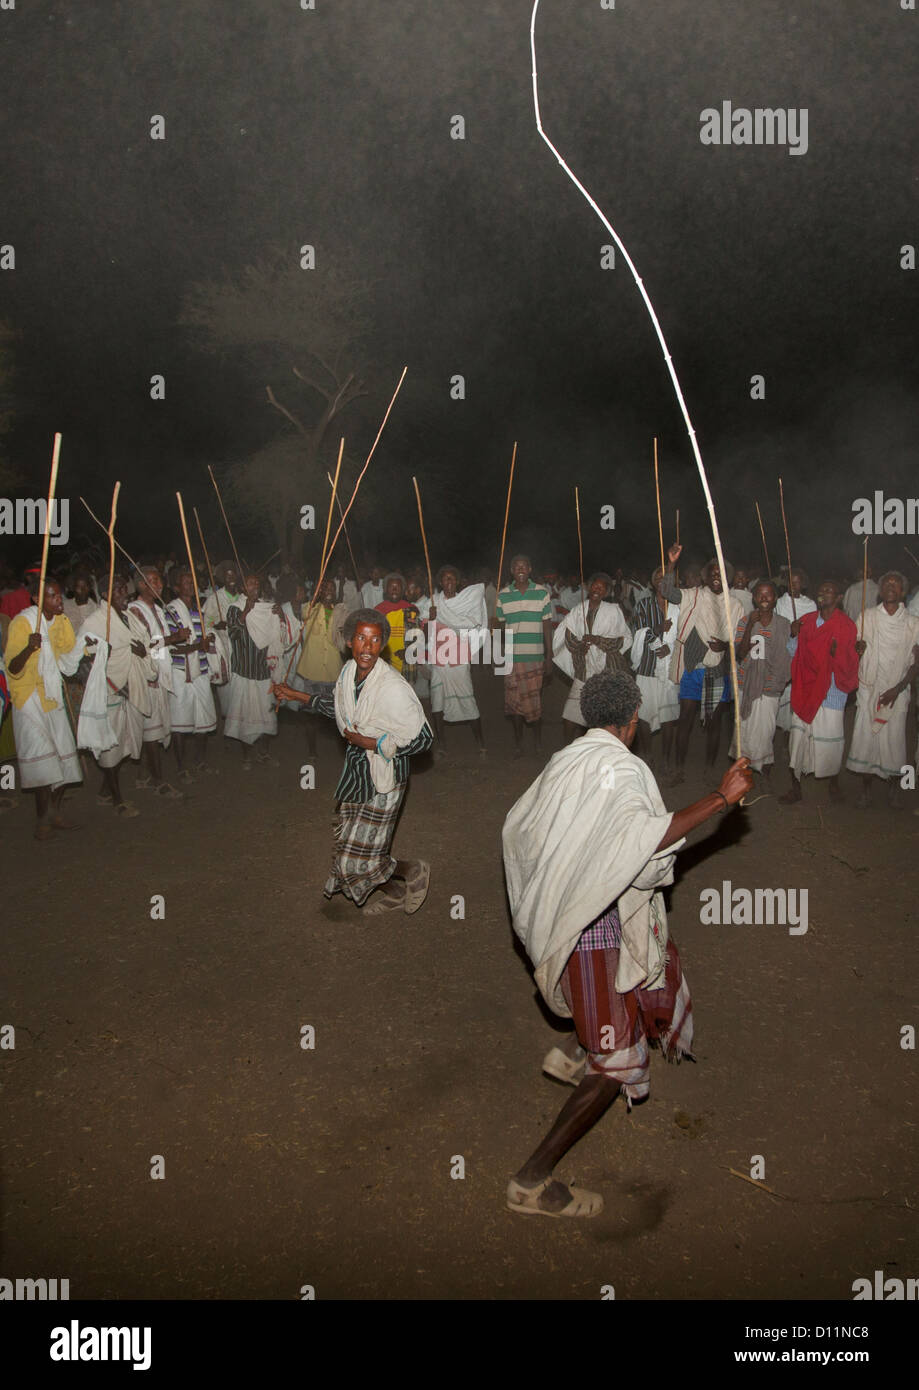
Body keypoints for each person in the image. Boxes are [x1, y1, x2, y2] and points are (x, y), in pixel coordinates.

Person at [503, 670, 752, 1218]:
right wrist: (720, 797)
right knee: (618, 1060)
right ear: (633, 719)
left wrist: (555, 881)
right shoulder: (623, 767)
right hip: (591, 930)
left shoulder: (567, 758)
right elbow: (642, 844)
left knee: (646, 974)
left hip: (570, 912)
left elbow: (519, 828)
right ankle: (530, 1182)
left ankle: (572, 1051)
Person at [272, 608, 433, 915]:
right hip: (358, 773)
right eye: (361, 638)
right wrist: (295, 695)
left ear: (382, 644)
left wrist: (372, 742)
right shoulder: (348, 673)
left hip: (386, 777)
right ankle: (397, 890)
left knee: (355, 858)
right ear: (349, 642)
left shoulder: (393, 688)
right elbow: (339, 707)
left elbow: (423, 740)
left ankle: (412, 870)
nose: (367, 647)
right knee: (360, 847)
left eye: (374, 640)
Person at [3, 577, 85, 837]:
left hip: (53, 696)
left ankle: (55, 812)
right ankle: (42, 820)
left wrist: (88, 648)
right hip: (30, 700)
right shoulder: (23, 623)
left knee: (64, 756)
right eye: (52, 596)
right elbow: (12, 669)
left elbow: (68, 657)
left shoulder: (61, 622)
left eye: (59, 595)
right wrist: (29, 648)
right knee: (42, 763)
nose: (59, 600)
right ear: (37, 600)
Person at [660, 544, 742, 780]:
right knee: (685, 718)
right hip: (693, 667)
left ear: (728, 578)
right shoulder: (692, 596)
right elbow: (666, 590)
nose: (717, 577)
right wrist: (672, 563)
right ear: (705, 576)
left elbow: (738, 639)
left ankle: (709, 769)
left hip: (718, 669)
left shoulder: (734, 605)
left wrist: (726, 646)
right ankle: (678, 768)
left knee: (715, 722)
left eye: (721, 574)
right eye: (713, 573)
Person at [78, 576, 157, 818]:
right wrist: (106, 653)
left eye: (124, 589)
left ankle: (104, 791)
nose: (124, 593)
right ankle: (118, 800)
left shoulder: (129, 618)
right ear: (104, 595)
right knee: (111, 747)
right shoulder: (95, 621)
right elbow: (83, 657)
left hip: (131, 687)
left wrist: (142, 652)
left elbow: (144, 643)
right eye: (117, 589)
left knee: (125, 742)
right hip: (109, 688)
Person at [779, 579, 859, 805]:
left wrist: (840, 654)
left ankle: (834, 784)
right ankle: (795, 787)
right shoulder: (805, 621)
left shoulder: (846, 625)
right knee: (797, 738)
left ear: (839, 597)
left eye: (829, 589)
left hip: (832, 691)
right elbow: (792, 652)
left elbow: (851, 662)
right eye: (821, 590)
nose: (824, 592)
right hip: (805, 687)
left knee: (830, 742)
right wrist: (793, 635)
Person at [846, 571, 919, 806]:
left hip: (897, 691)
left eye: (896, 585)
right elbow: (854, 650)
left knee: (894, 741)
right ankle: (865, 790)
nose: (890, 587)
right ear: (879, 590)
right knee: (867, 739)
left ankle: (894, 790)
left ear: (903, 593)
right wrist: (857, 649)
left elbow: (915, 663)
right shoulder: (867, 617)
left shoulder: (912, 623)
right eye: (886, 583)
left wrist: (897, 689)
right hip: (869, 689)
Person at [223, 572, 292, 767]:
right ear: (242, 588)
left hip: (263, 672)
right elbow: (234, 634)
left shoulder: (266, 608)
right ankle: (247, 756)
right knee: (246, 717)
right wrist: (246, 611)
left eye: (255, 583)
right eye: (248, 583)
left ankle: (264, 753)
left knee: (266, 716)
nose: (253, 586)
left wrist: (280, 617)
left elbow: (281, 637)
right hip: (244, 672)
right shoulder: (235, 608)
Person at [552, 572, 630, 743]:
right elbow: (567, 634)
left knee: (606, 720)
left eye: (602, 588)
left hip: (607, 671)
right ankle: (569, 750)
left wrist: (597, 640)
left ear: (606, 592)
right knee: (570, 717)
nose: (597, 589)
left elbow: (620, 641)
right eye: (595, 585)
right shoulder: (577, 610)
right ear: (588, 587)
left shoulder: (613, 611)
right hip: (584, 669)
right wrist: (579, 646)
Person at [128, 565, 184, 798]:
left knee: (154, 729)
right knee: (150, 732)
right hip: (146, 676)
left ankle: (143, 776)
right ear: (141, 585)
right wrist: (173, 638)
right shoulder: (134, 611)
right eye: (153, 580)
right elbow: (142, 646)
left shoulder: (158, 609)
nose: (159, 584)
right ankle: (158, 781)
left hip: (160, 674)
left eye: (159, 580)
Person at [729, 581, 791, 784]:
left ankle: (765, 771)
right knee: (745, 730)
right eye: (760, 595)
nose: (764, 598)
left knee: (765, 731)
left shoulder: (783, 624)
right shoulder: (745, 621)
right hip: (746, 684)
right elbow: (740, 653)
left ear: (775, 598)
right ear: (754, 598)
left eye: (769, 594)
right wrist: (749, 626)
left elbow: (786, 655)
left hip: (770, 685)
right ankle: (743, 773)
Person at [495, 555, 553, 758]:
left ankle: (537, 742)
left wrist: (549, 655)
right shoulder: (502, 595)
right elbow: (500, 626)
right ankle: (518, 744)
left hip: (534, 656)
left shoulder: (541, 593)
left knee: (534, 701)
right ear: (511, 570)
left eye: (524, 566)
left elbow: (547, 625)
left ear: (529, 569)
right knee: (513, 704)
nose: (520, 569)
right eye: (516, 566)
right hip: (511, 658)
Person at [427, 564, 487, 754]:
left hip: (459, 658)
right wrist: (430, 618)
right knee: (437, 701)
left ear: (458, 581)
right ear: (440, 582)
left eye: (453, 578)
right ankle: (441, 743)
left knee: (468, 699)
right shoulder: (433, 602)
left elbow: (474, 623)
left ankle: (480, 743)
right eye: (446, 578)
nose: (449, 582)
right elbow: (424, 632)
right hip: (439, 659)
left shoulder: (466, 602)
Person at [166, 569, 218, 779]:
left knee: (203, 719)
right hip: (180, 673)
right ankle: (180, 767)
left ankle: (200, 760)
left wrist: (208, 642)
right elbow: (170, 648)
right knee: (180, 721)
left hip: (201, 671)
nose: (189, 585)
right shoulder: (171, 612)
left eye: (192, 582)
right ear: (177, 587)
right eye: (185, 582)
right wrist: (198, 646)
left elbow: (204, 644)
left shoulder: (199, 612)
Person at [629, 566, 680, 774]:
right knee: (643, 714)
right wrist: (658, 634)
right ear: (652, 583)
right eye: (657, 578)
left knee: (668, 716)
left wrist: (671, 646)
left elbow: (683, 633)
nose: (661, 581)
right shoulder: (643, 604)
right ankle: (647, 756)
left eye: (664, 578)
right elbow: (638, 631)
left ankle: (666, 759)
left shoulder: (678, 606)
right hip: (647, 667)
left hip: (670, 668)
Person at [292, 577, 347, 754]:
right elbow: (301, 613)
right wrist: (314, 596)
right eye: (325, 588)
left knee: (336, 715)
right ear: (320, 592)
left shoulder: (341, 611)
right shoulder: (310, 608)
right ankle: (312, 751)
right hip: (311, 671)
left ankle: (340, 750)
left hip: (332, 671)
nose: (329, 591)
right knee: (310, 715)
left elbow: (345, 640)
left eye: (332, 588)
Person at [775, 568, 817, 738]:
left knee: (798, 696)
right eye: (791, 582)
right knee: (782, 698)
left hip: (803, 656)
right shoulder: (779, 603)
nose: (793, 585)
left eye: (797, 582)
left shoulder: (811, 605)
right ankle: (780, 732)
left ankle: (792, 736)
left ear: (804, 584)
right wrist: (790, 632)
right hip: (783, 654)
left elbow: (813, 631)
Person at [375, 573, 412, 674]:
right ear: (385, 590)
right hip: (384, 665)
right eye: (391, 587)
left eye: (398, 587)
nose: (394, 590)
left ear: (403, 590)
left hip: (407, 665)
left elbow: (419, 637)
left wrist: (409, 651)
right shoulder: (378, 612)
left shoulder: (411, 610)